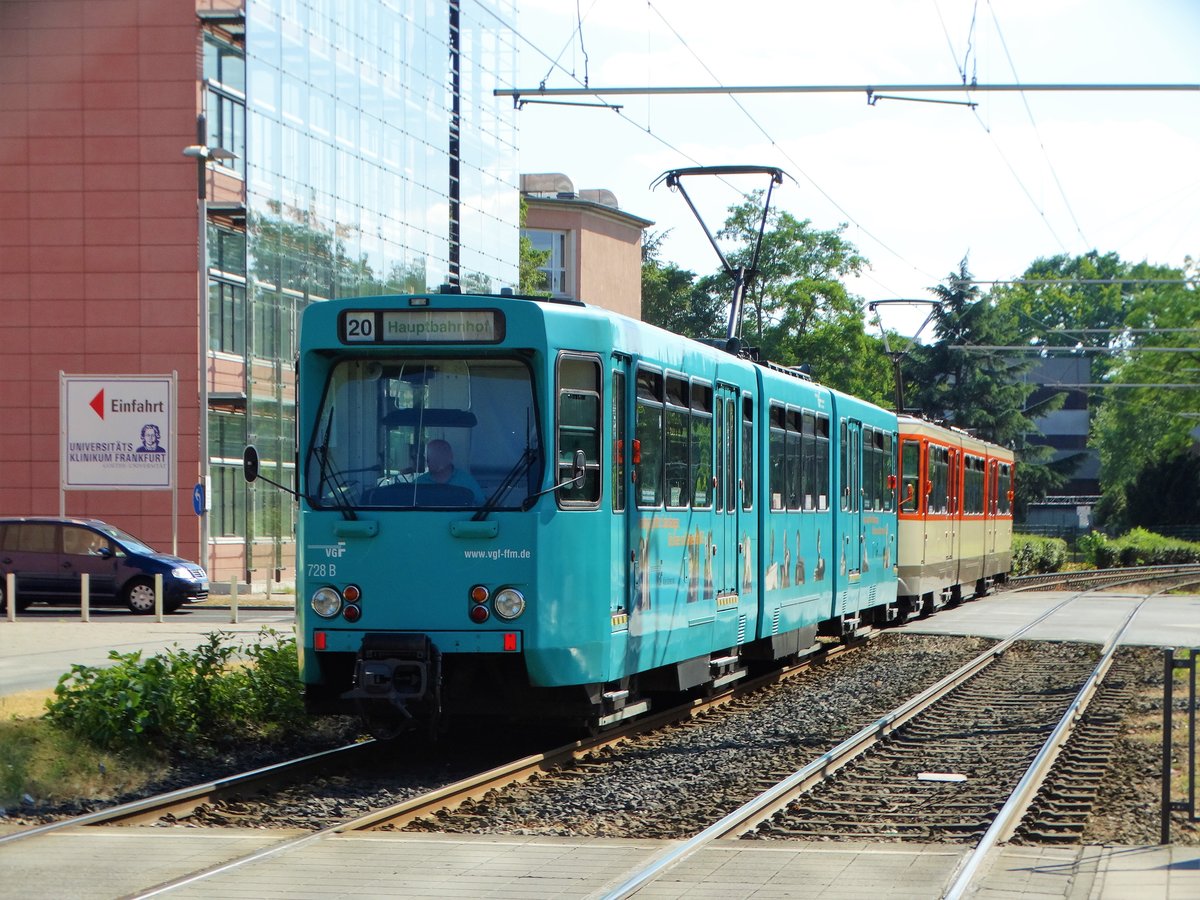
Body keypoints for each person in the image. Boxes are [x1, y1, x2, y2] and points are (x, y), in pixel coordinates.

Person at [415, 439, 484, 503]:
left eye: (438, 455)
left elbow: (482, 505)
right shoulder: (418, 483)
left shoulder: (467, 481)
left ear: (450, 457)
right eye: (429, 457)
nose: (430, 460)